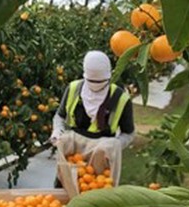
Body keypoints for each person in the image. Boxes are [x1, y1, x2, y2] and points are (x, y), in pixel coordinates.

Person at [49, 51, 135, 185]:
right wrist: (57, 131)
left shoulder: (120, 99)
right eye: (91, 81)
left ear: (109, 77)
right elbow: (60, 116)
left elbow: (129, 133)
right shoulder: (73, 89)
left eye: (100, 82)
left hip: (101, 151)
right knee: (67, 184)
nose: (95, 85)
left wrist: (116, 144)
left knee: (96, 185)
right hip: (74, 147)